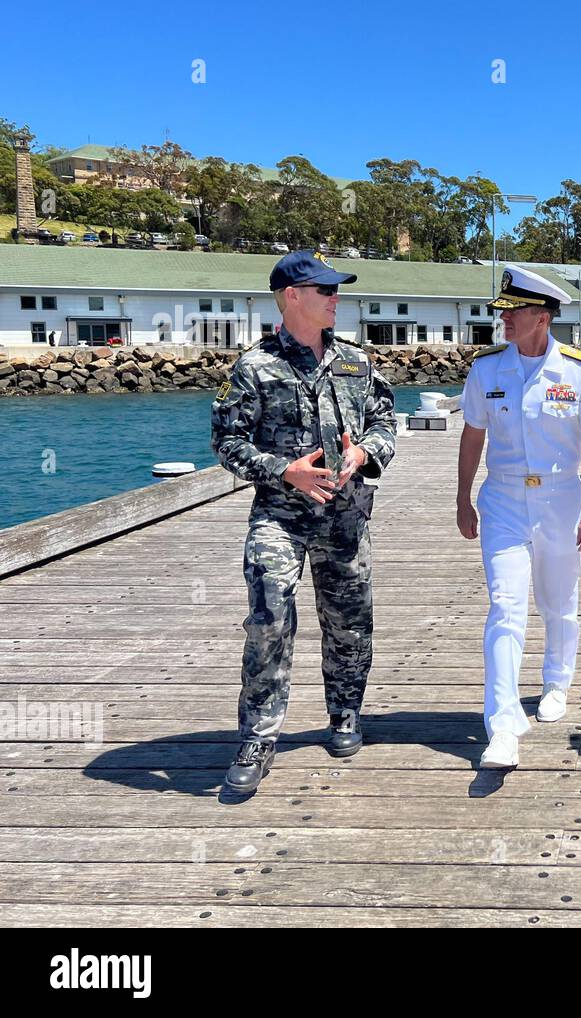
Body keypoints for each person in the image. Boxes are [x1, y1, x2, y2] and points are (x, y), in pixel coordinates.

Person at [212, 250, 397, 793]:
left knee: (350, 620)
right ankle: (259, 734)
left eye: (337, 290)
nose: (336, 298)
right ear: (293, 296)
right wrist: (283, 471)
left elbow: (387, 422)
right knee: (269, 611)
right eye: (326, 290)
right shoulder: (254, 366)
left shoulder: (357, 362)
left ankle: (345, 712)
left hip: (345, 515)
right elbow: (226, 442)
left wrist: (364, 453)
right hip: (281, 515)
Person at [457, 265, 581, 769]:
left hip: (560, 500)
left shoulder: (579, 370)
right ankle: (503, 725)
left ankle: (556, 680)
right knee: (505, 606)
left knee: (558, 600)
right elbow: (472, 437)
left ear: (542, 317)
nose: (503, 320)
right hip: (503, 500)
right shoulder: (486, 369)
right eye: (502, 311)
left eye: (514, 311)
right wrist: (463, 497)